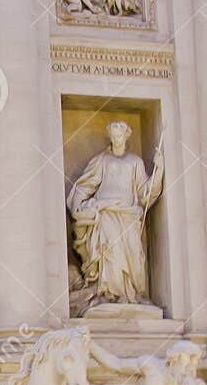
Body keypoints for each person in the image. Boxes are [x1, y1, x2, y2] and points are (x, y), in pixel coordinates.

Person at [69, 121, 163, 306]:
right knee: (109, 252)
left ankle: (131, 294)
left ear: (126, 137)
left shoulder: (135, 162)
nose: (116, 140)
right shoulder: (102, 160)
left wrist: (159, 170)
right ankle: (109, 293)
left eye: (119, 136)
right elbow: (86, 185)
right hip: (106, 213)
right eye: (113, 137)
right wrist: (79, 205)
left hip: (129, 215)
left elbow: (145, 192)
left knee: (134, 254)